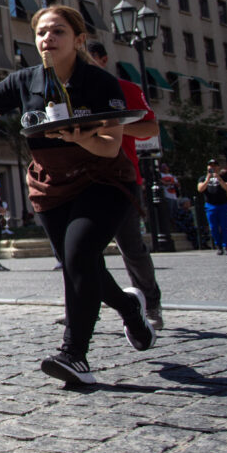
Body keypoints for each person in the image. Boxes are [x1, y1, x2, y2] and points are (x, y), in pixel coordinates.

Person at [0, 5, 155, 387]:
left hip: (104, 181)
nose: (47, 39)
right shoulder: (24, 81)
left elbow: (109, 146)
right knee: (79, 264)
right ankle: (129, 307)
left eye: (58, 32)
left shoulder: (100, 83)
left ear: (78, 39)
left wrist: (78, 134)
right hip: (52, 185)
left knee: (79, 255)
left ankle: (74, 355)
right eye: (41, 33)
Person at [86, 41, 164, 329]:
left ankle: (150, 303)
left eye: (88, 59)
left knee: (131, 248)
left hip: (121, 181)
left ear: (103, 60)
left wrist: (114, 127)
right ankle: (83, 309)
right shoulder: (66, 95)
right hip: (79, 182)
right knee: (79, 252)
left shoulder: (124, 88)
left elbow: (151, 128)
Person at [197, 159, 227, 255]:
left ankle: (226, 246)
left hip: (223, 205)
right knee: (213, 227)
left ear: (218, 167)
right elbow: (200, 189)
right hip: (210, 206)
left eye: (214, 165)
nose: (212, 167)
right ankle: (218, 246)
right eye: (210, 165)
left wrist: (219, 178)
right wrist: (207, 179)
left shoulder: (223, 177)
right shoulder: (203, 178)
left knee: (224, 226)